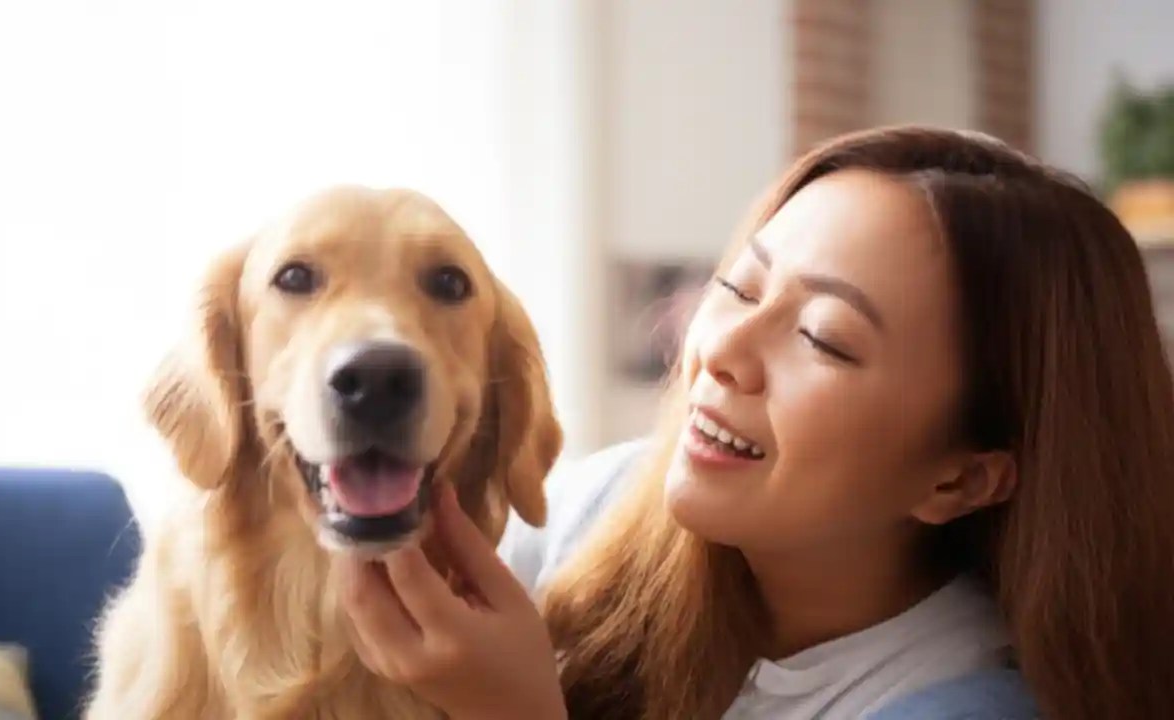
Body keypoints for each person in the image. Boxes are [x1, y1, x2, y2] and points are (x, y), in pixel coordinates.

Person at [338, 126, 1174, 720]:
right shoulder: (600, 508)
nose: (723, 349)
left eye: (823, 339)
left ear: (960, 478)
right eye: (738, 287)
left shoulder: (957, 702)